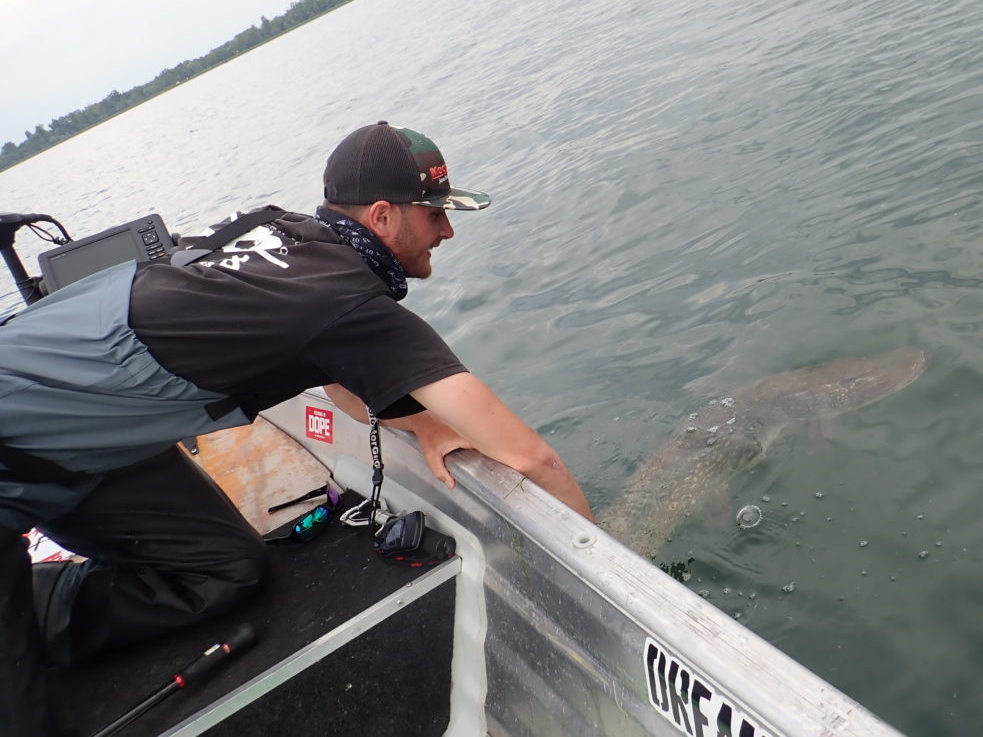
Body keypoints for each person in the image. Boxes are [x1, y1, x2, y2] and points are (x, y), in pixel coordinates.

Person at [0, 120, 593, 736]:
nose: (446, 230)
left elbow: (336, 379)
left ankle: (38, 605)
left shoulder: (280, 230)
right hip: (27, 430)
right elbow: (530, 458)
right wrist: (607, 580)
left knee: (229, 573)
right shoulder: (341, 298)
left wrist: (418, 421)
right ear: (384, 217)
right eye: (434, 215)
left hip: (84, 438)